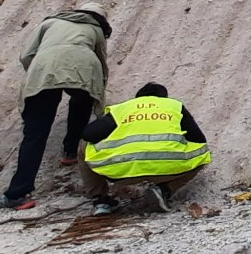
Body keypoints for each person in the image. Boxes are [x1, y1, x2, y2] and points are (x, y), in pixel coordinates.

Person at [0, 2, 111, 210]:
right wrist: (98, 88)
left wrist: (39, 71)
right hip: (83, 67)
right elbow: (101, 62)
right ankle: (71, 151)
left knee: (35, 135)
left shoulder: (49, 23)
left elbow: (26, 55)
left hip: (44, 66)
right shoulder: (95, 29)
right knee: (82, 101)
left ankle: (17, 194)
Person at [79, 82, 210, 214]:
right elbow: (198, 139)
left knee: (84, 145)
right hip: (168, 169)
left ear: (138, 98)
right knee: (203, 154)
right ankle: (164, 190)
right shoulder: (173, 106)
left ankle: (101, 201)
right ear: (164, 97)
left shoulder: (122, 109)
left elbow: (89, 134)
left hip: (123, 171)